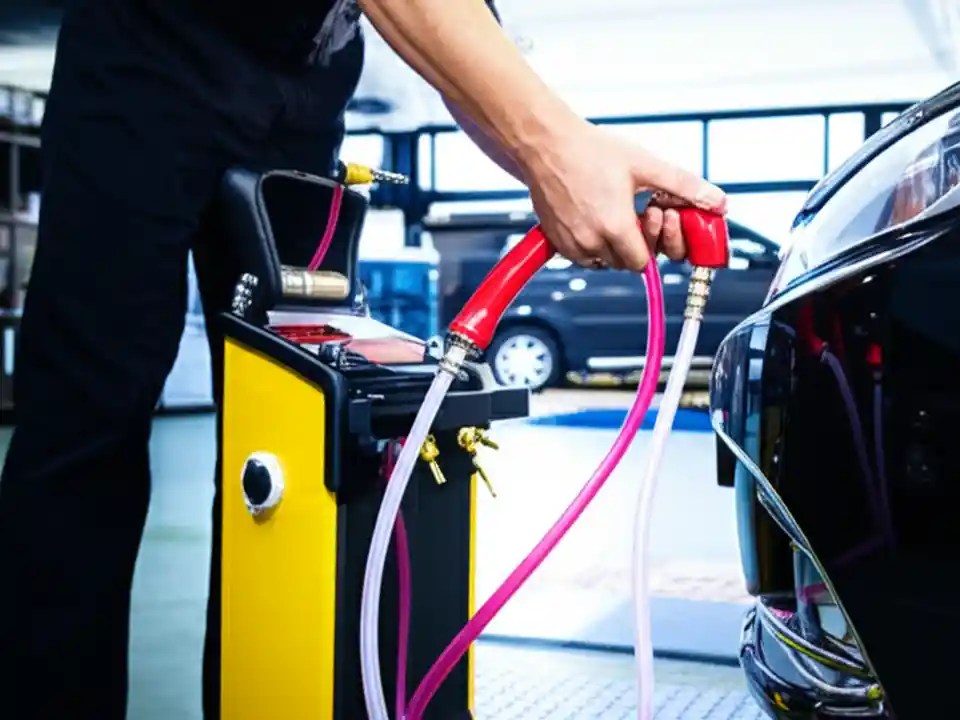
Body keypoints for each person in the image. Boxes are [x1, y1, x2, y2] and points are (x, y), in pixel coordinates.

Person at [0, 0, 728, 718]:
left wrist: (568, 162)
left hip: (306, 80)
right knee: (85, 430)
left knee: (291, 443)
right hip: (150, 48)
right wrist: (556, 151)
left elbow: (464, 50)